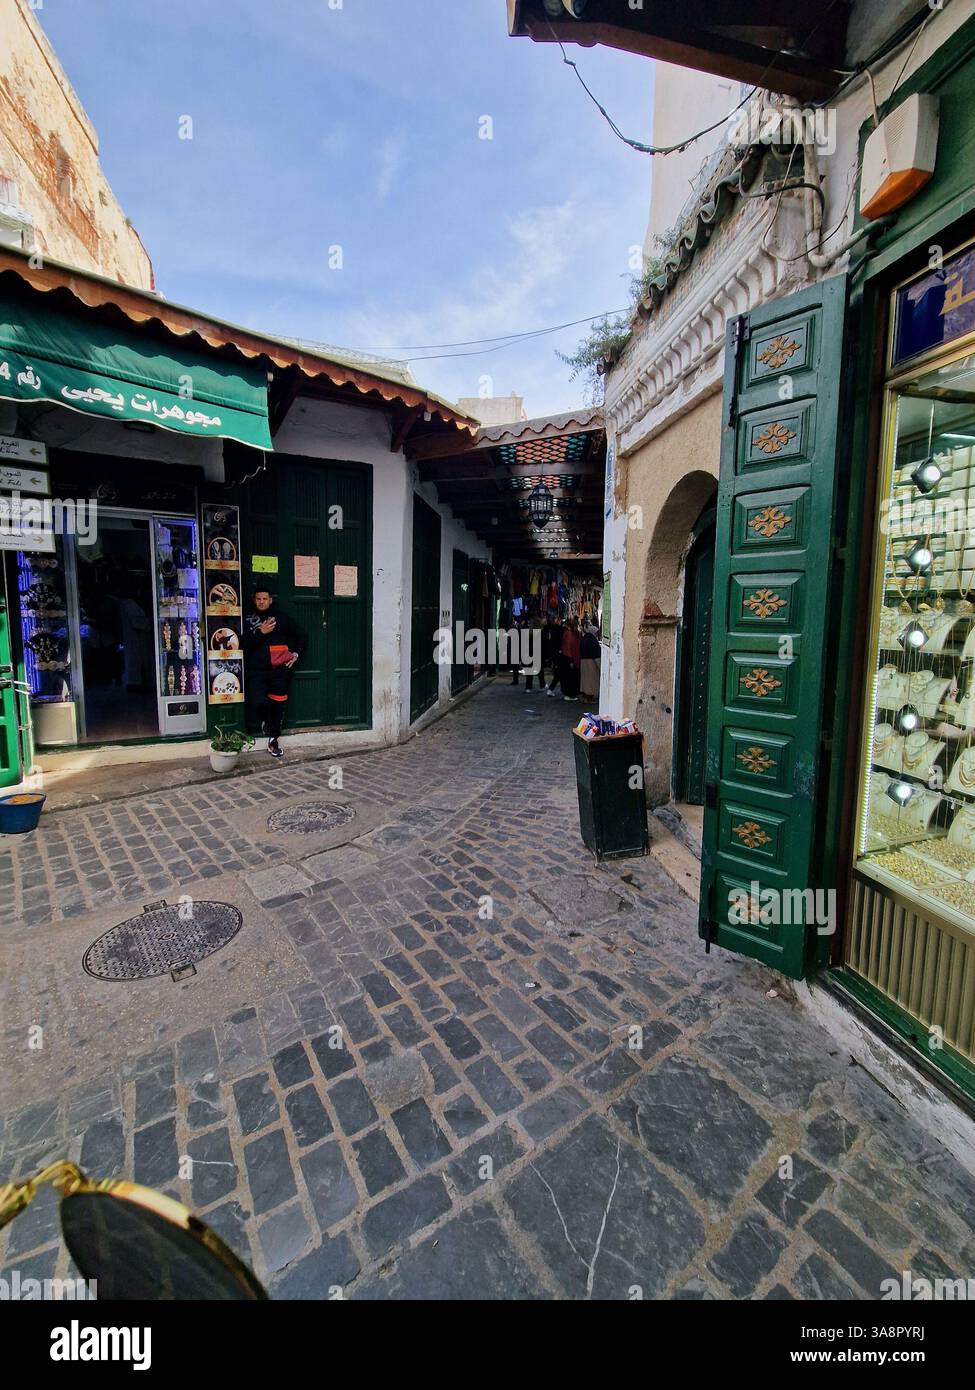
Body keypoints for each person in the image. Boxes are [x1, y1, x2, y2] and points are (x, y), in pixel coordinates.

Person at [242, 589, 307, 758]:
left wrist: (296, 655)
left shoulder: (282, 618)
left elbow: (302, 635)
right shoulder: (247, 620)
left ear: (270, 600)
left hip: (280, 671)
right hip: (257, 672)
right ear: (254, 600)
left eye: (265, 598)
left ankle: (273, 740)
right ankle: (266, 722)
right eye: (258, 599)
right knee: (258, 702)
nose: (262, 602)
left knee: (278, 706)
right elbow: (243, 646)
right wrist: (260, 633)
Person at [560, 617, 582, 701]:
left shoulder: (570, 633)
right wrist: (571, 660)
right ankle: (571, 694)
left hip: (570, 658)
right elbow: (568, 647)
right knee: (571, 677)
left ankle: (570, 693)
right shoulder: (572, 634)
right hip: (571, 658)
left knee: (570, 677)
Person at [580, 621, 601, 701]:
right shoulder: (592, 640)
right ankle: (588, 699)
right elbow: (596, 653)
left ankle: (585, 697)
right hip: (591, 663)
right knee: (591, 683)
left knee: (585, 682)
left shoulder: (584, 638)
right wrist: (599, 666)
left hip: (584, 662)